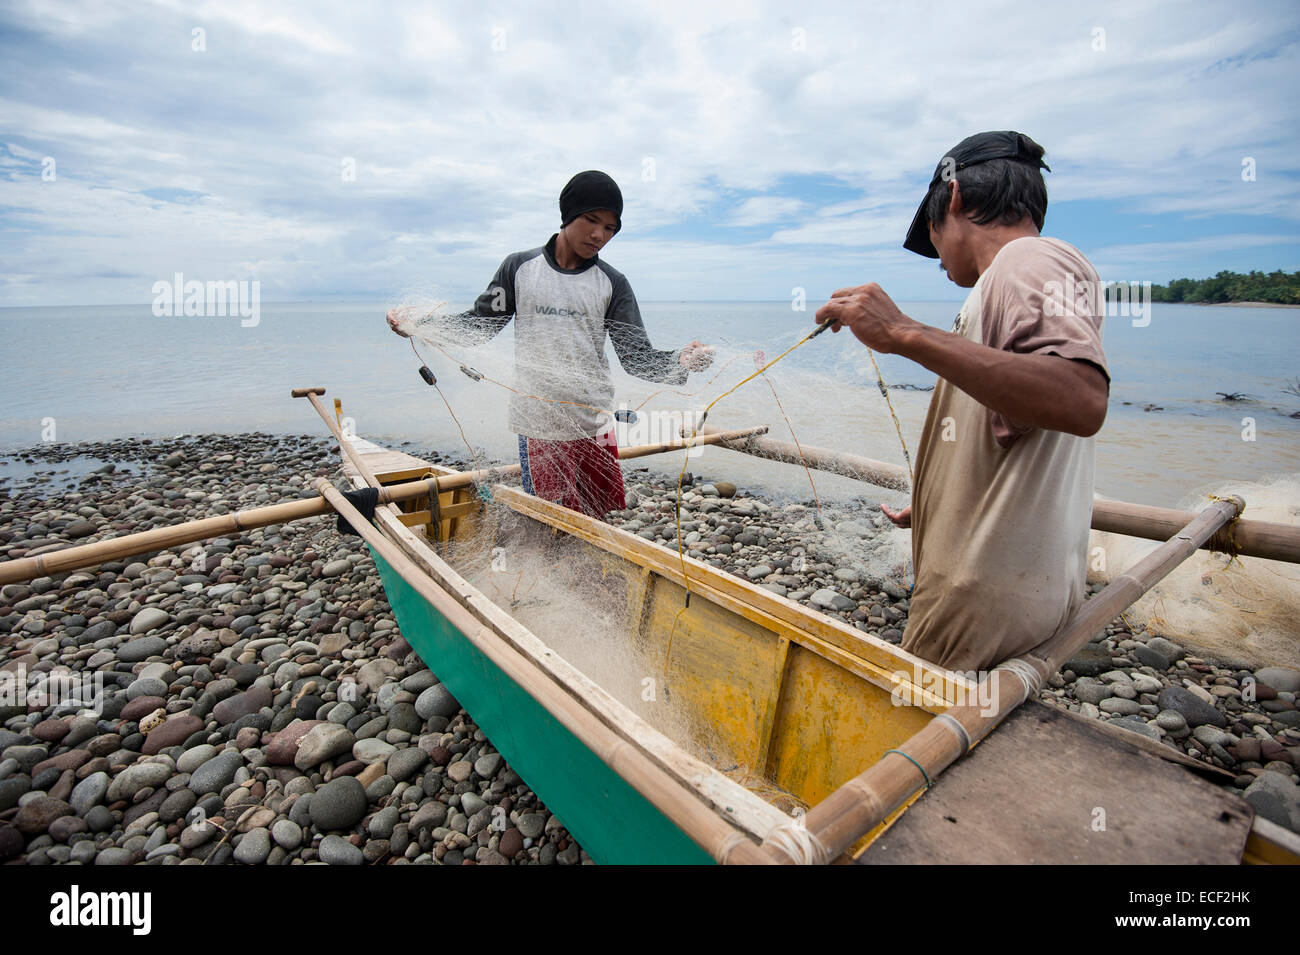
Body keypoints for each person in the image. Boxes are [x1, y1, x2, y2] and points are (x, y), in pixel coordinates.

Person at [814, 131, 1109, 673]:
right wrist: (940, 498)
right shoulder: (1010, 278)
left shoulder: (1028, 259)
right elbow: (1015, 419)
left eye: (932, 238)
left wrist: (903, 332)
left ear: (953, 199)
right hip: (1012, 585)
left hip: (983, 591)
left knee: (925, 745)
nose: (938, 263)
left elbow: (1079, 398)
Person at [388, 169, 713, 517]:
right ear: (568, 215)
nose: (599, 234)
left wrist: (681, 362)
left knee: (595, 520)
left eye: (610, 228)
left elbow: (637, 358)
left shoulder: (613, 283)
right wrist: (421, 327)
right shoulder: (519, 268)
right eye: (591, 220)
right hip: (538, 424)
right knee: (550, 519)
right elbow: (480, 324)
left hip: (594, 423)